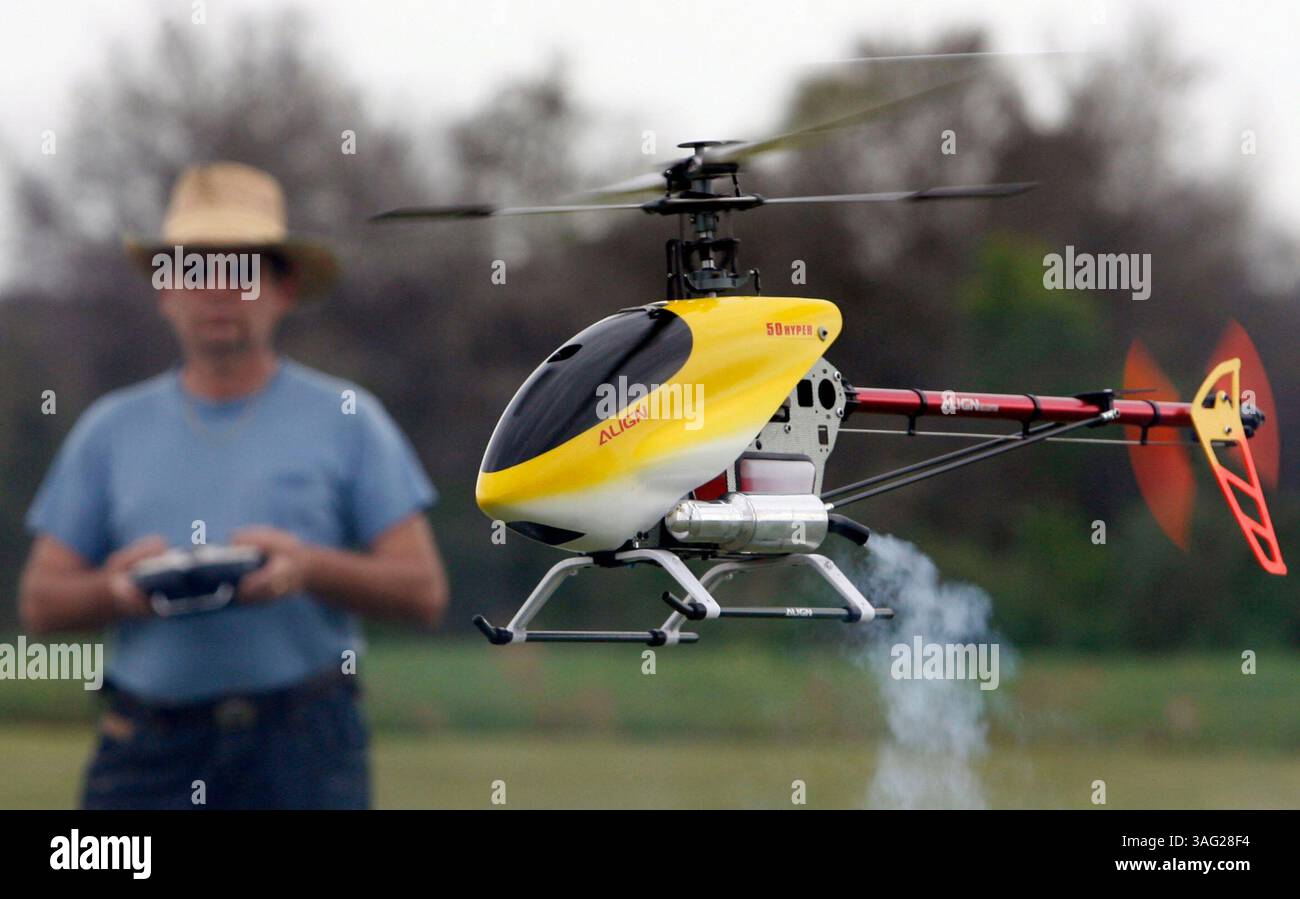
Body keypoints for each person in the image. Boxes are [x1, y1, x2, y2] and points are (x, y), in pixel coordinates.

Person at [17, 161, 449, 809]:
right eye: (194, 269)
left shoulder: (349, 417)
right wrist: (116, 589)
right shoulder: (109, 429)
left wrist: (307, 567)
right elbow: (40, 603)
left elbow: (423, 591)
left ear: (284, 287)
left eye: (241, 269)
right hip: (146, 748)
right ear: (166, 291)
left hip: (305, 743)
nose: (217, 290)